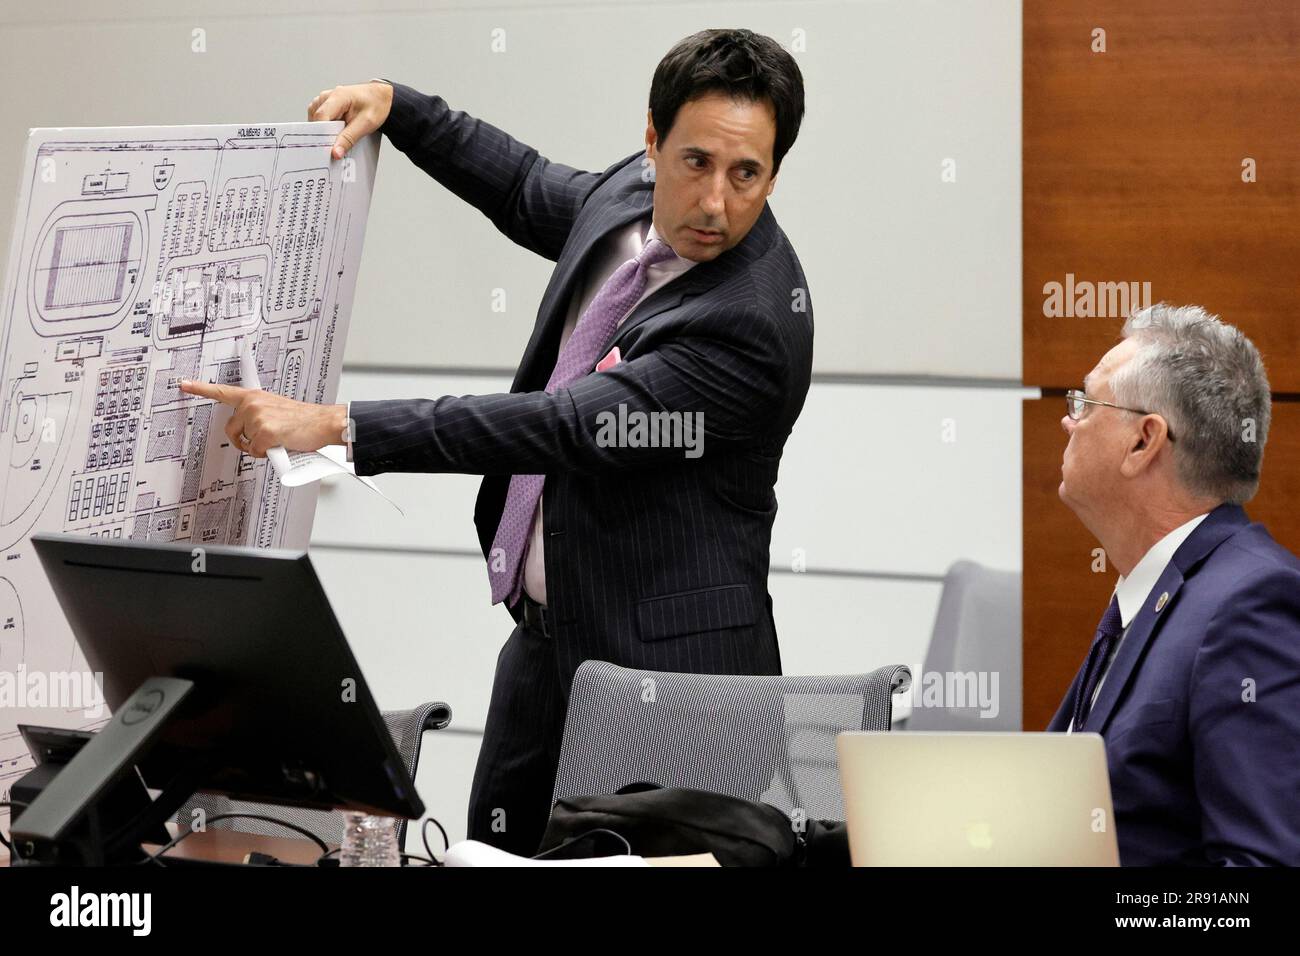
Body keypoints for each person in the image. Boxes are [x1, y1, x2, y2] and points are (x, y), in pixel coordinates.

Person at [179, 29, 812, 855]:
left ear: (773, 171)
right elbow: (522, 185)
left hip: (678, 683)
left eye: (747, 175)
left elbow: (560, 424)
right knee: (490, 853)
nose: (716, 203)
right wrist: (401, 110)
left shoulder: (751, 327)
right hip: (549, 646)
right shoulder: (628, 197)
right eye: (696, 163)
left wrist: (335, 425)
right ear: (651, 142)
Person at [1049, 303, 1300, 865]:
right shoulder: (1151, 595)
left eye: (1087, 401)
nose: (1069, 418)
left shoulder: (1250, 605)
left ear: (1144, 441)